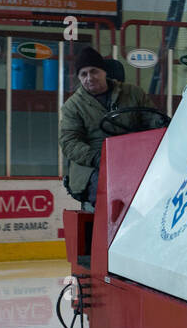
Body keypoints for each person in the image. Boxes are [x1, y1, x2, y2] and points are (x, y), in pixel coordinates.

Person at [58, 46, 154, 209]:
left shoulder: (133, 94)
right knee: (109, 194)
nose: (89, 78)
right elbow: (69, 142)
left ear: (104, 72)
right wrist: (98, 158)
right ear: (79, 78)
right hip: (92, 166)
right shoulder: (72, 107)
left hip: (133, 160)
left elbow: (153, 120)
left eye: (94, 71)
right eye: (84, 74)